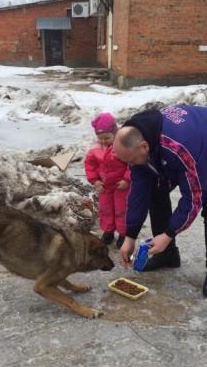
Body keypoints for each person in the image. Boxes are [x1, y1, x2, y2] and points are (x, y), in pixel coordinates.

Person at [113, 104, 207, 296]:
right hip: (184, 147)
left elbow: (193, 199)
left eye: (131, 161)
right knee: (155, 187)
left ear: (144, 146)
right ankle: (167, 255)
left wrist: (168, 234)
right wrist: (130, 235)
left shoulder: (179, 148)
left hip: (199, 148)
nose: (130, 166)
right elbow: (140, 188)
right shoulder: (138, 133)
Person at [84, 112, 130, 249]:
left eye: (107, 138)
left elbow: (132, 163)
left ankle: (123, 233)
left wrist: (127, 180)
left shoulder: (124, 145)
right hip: (104, 186)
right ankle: (108, 231)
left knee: (122, 209)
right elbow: (90, 165)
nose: (103, 141)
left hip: (121, 185)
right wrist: (95, 180)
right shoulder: (95, 150)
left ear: (115, 132)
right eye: (100, 138)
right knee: (106, 209)